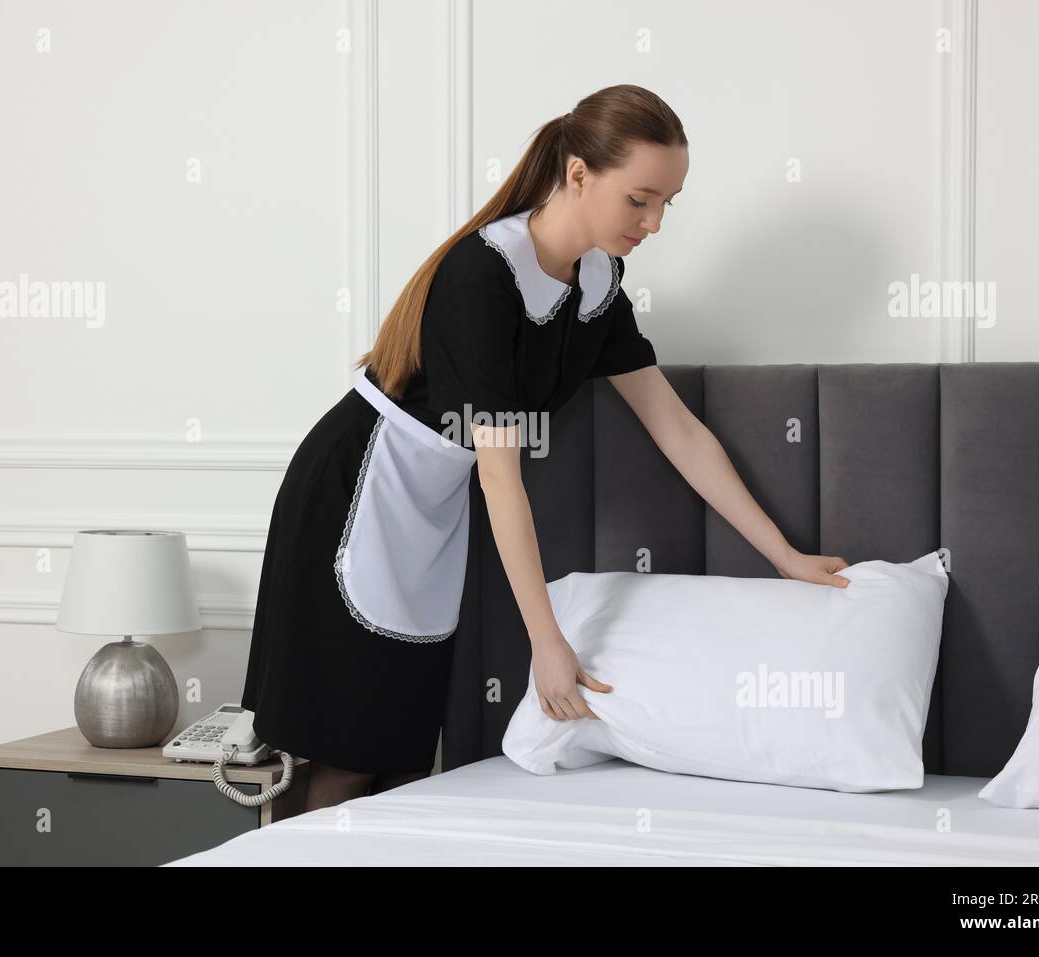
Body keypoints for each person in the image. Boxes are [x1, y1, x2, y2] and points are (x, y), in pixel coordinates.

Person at [240, 84, 849, 813]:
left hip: (435, 503)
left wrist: (783, 555)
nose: (654, 223)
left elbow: (677, 429)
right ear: (579, 173)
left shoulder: (598, 285)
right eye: (639, 199)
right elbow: (501, 474)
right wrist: (548, 643)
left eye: (668, 204)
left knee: (400, 757)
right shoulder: (482, 274)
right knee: (346, 758)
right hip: (359, 490)